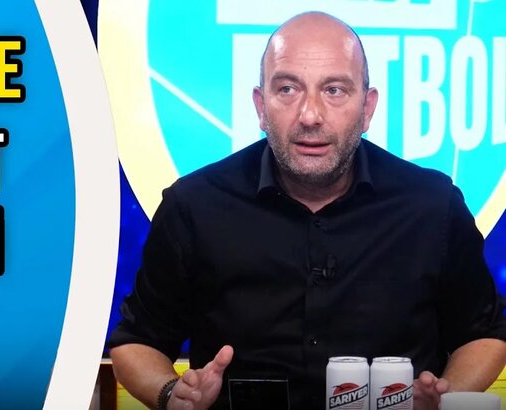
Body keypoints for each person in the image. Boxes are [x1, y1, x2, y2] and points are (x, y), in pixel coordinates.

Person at [107, 11, 506, 410]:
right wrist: (171, 394)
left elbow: (485, 335)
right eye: (287, 89)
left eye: (334, 90)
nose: (310, 115)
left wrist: (445, 398)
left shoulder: (432, 205)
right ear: (260, 106)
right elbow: (136, 342)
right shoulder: (194, 206)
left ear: (367, 108)